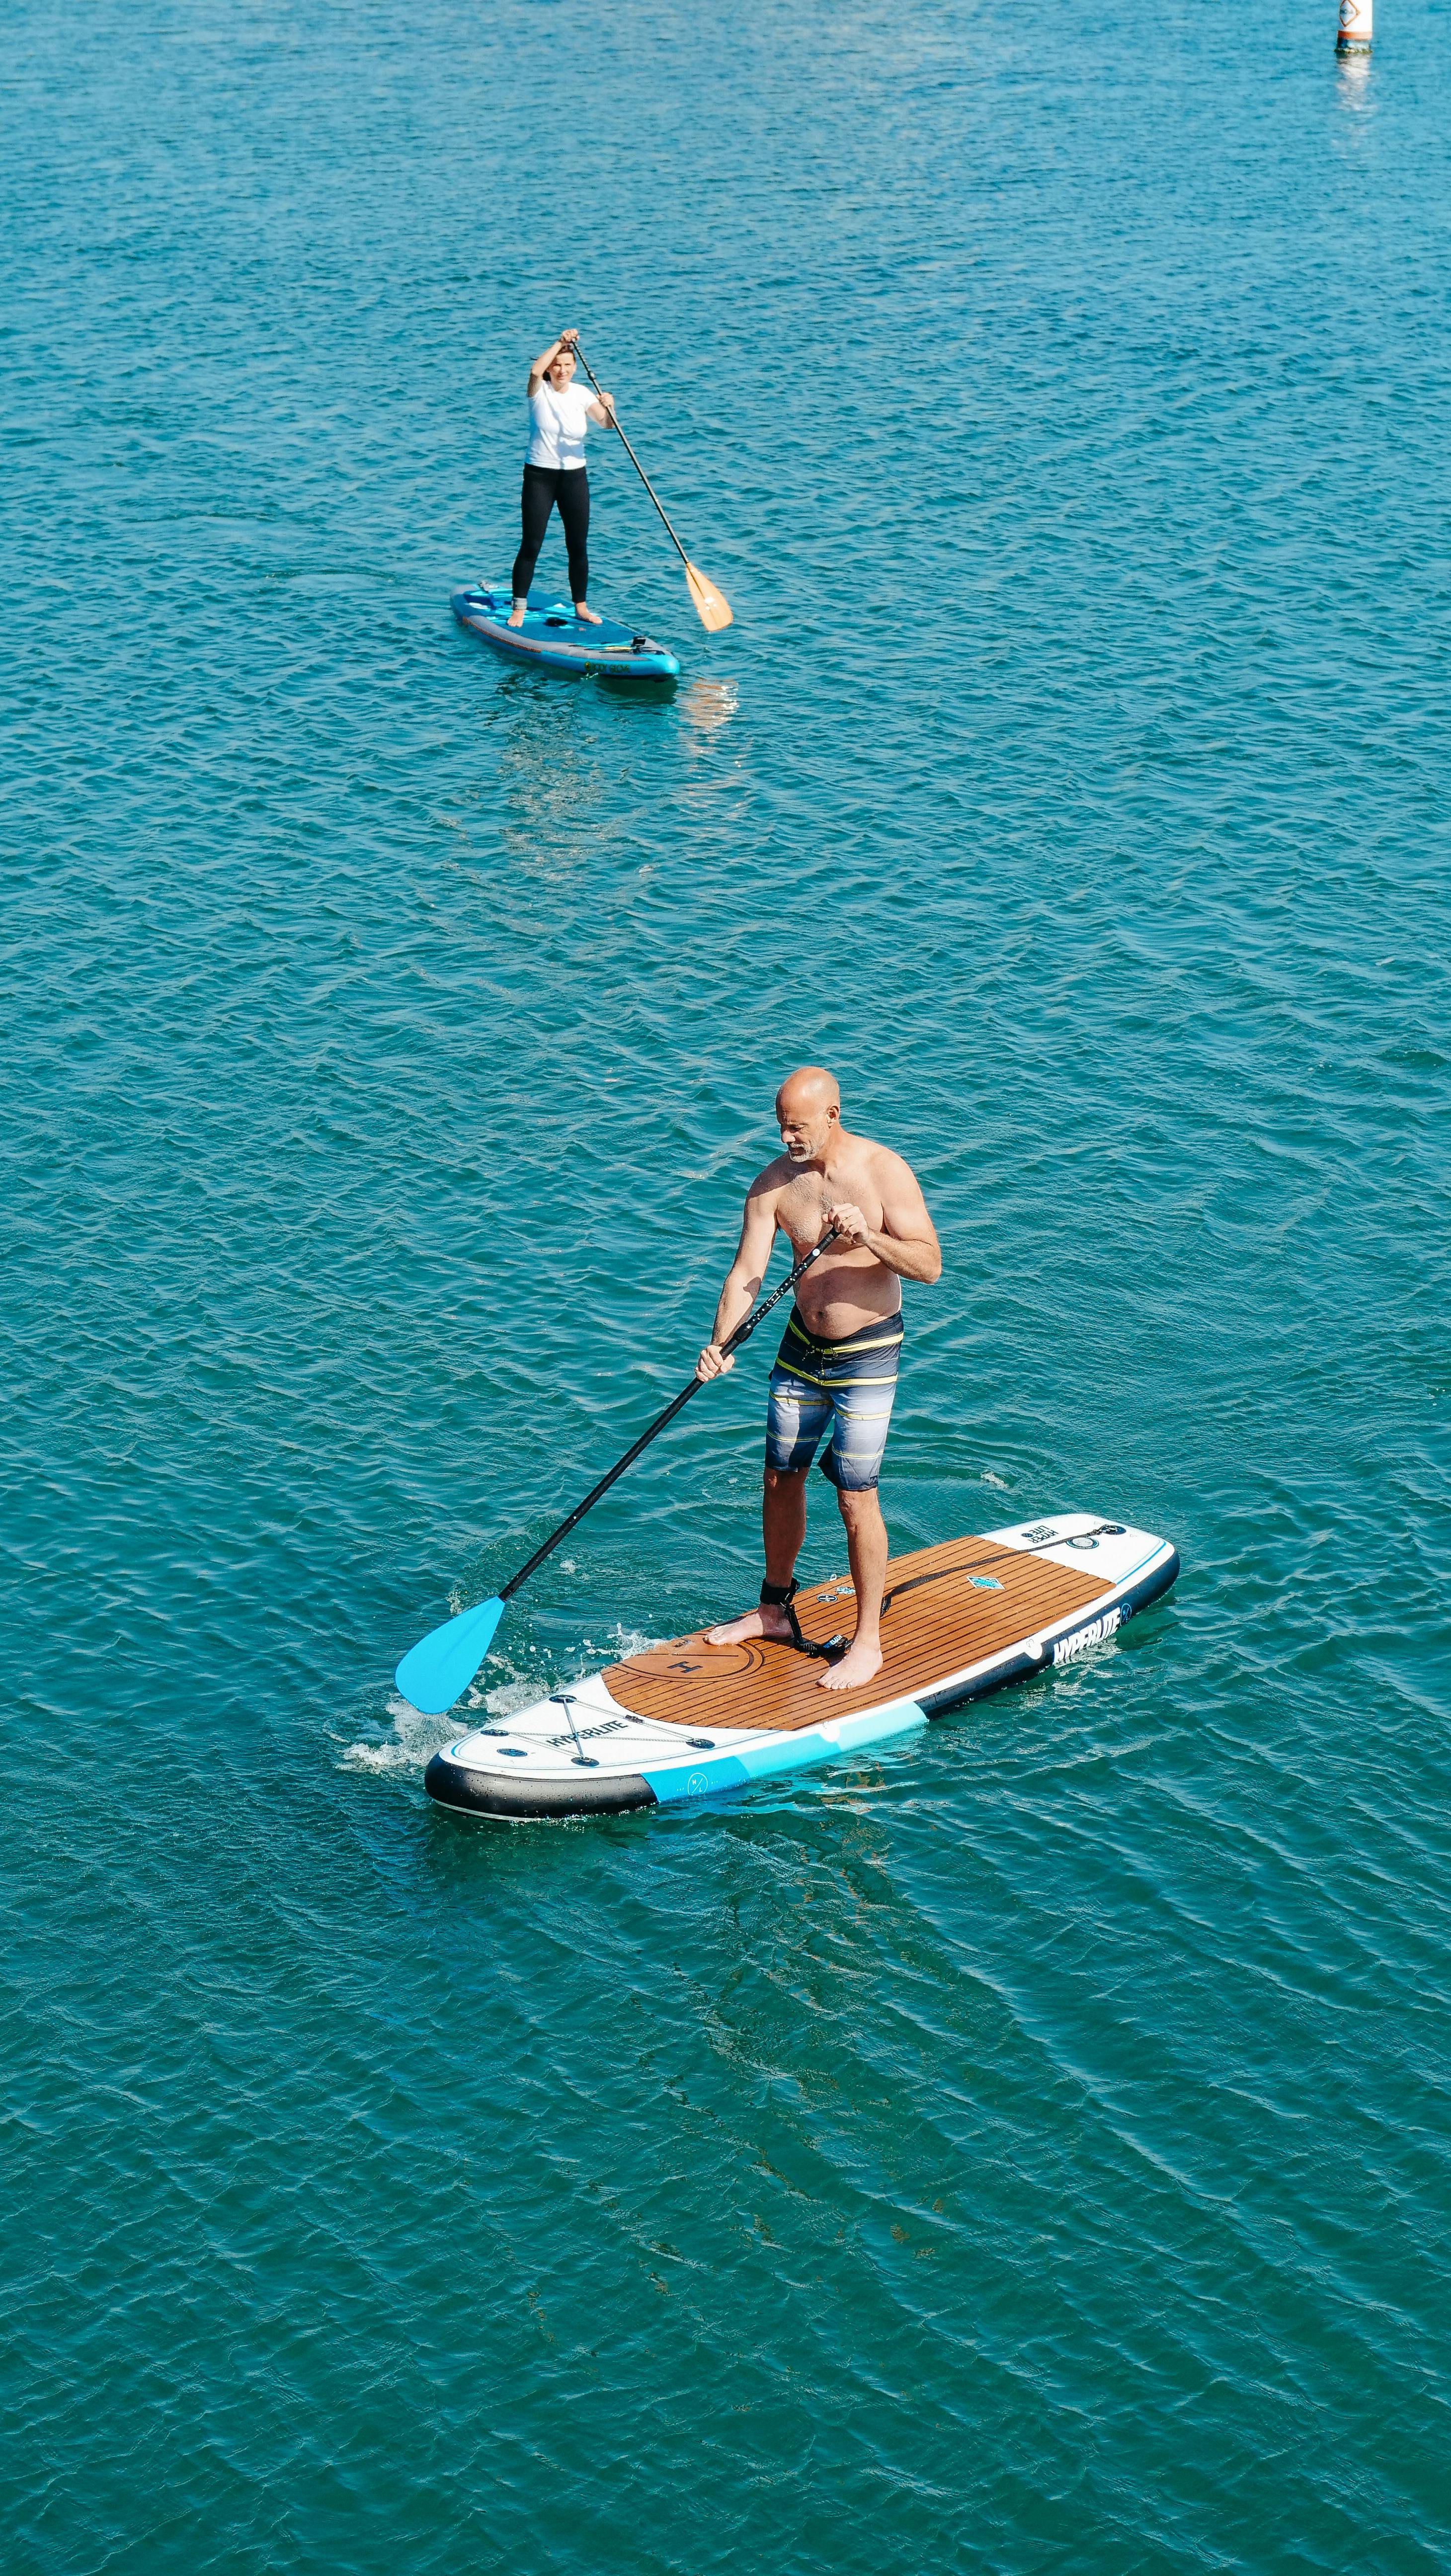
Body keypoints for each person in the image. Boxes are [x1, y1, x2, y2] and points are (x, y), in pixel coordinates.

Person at [696, 1067, 942, 1691]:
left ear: (833, 1114)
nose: (786, 1138)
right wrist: (719, 1344)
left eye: (798, 1126)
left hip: (868, 1354)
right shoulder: (772, 1186)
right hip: (800, 1349)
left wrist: (873, 1237)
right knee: (780, 1476)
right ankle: (774, 1610)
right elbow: (746, 1275)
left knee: (855, 1497)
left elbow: (930, 1266)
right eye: (780, 1126)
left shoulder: (884, 1172)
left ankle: (867, 1643)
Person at [507, 329, 614, 630]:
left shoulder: (582, 394)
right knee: (532, 543)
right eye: (557, 365)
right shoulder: (538, 390)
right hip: (539, 476)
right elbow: (534, 370)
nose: (562, 370)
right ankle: (519, 608)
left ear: (575, 367)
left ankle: (581, 607)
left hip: (574, 477)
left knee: (578, 545)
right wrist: (560, 342)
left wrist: (609, 405)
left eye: (567, 365)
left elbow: (606, 425)